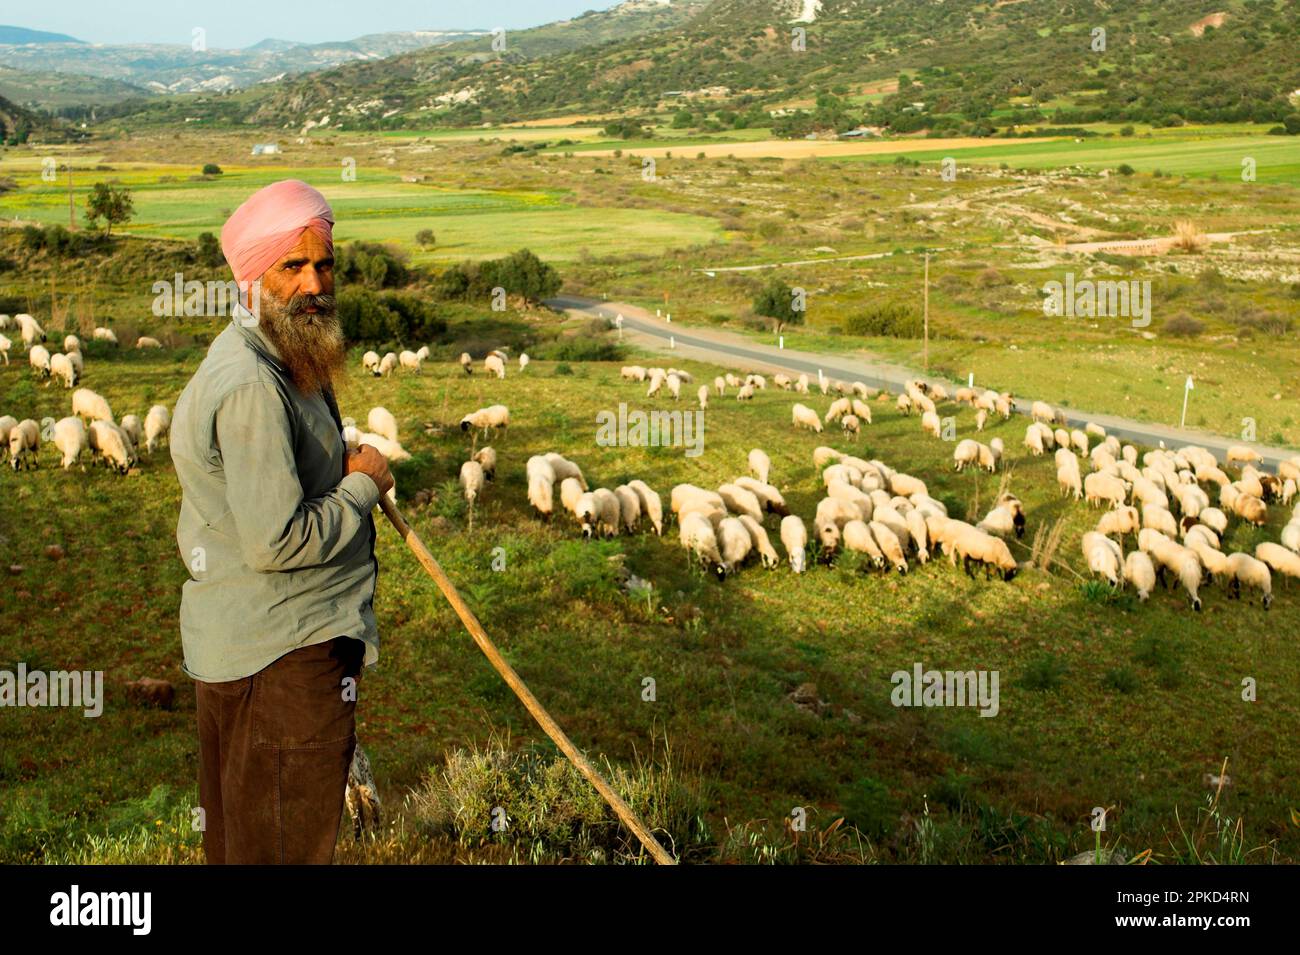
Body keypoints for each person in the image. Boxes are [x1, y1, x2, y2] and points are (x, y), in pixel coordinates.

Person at [170, 179, 393, 863]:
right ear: (251, 276)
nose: (314, 283)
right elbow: (278, 540)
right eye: (291, 266)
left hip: (254, 649)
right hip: (280, 661)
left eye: (324, 264)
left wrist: (336, 460)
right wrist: (362, 486)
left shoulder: (282, 352)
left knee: (246, 850)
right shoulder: (251, 384)